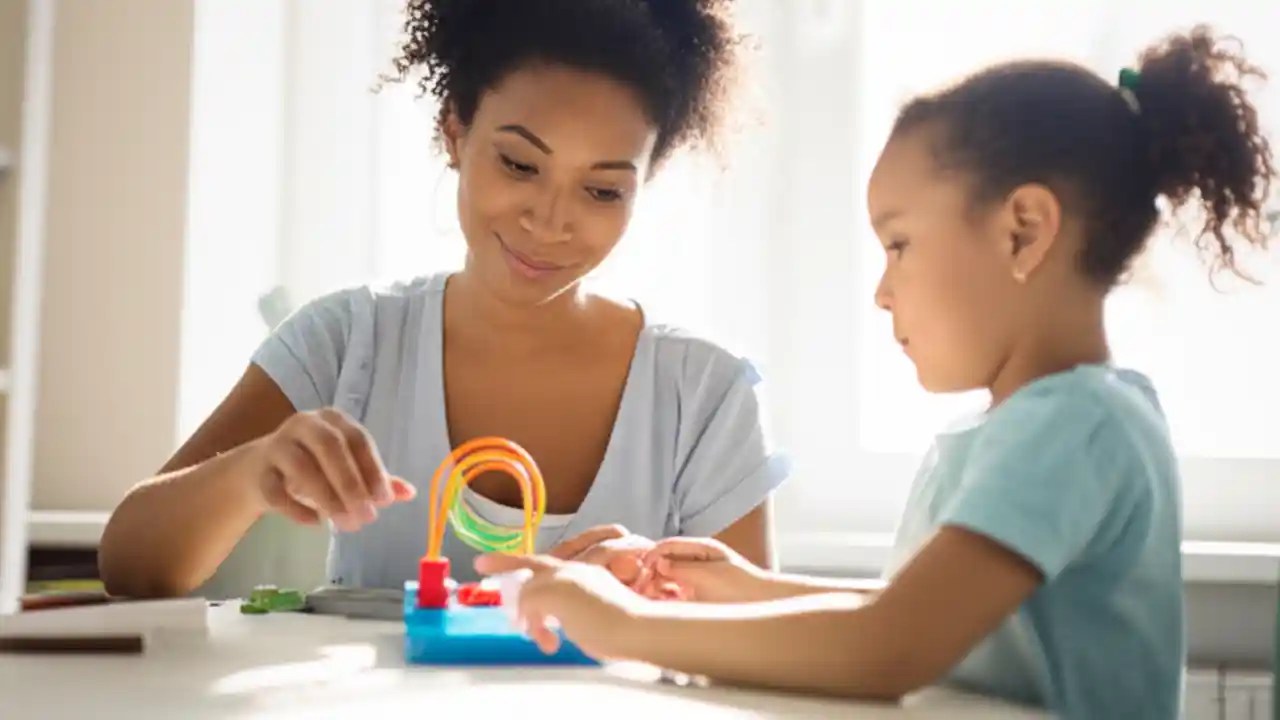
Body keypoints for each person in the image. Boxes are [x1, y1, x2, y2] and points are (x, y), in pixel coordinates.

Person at [475, 25, 1277, 720]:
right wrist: (742, 587)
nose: (883, 291)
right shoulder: (1059, 422)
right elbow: (929, 619)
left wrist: (619, 625)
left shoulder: (1073, 427)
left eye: (899, 244)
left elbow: (890, 647)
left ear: (1024, 232)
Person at [99, 0, 788, 598]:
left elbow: (758, 639)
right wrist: (253, 472)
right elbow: (131, 565)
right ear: (455, 133)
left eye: (603, 190)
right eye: (519, 164)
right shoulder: (347, 342)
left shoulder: (703, 394)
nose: (550, 221)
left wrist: (653, 594)